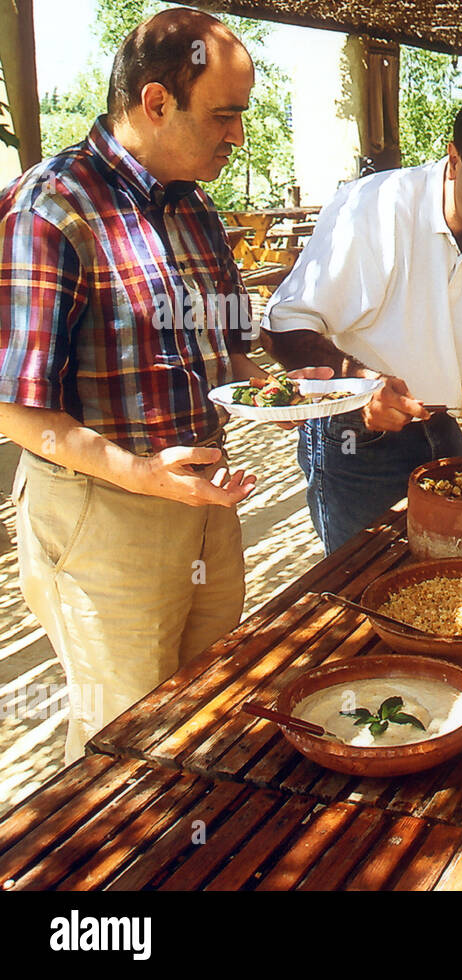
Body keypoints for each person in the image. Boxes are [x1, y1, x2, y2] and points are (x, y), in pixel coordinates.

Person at [0, 9, 290, 762]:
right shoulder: (52, 206)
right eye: (224, 116)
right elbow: (13, 406)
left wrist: (289, 393)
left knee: (206, 706)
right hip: (104, 512)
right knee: (122, 738)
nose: (237, 135)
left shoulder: (191, 203)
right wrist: (139, 474)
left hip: (202, 500)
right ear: (156, 102)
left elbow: (224, 358)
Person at [263, 89, 462, 553]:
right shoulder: (374, 209)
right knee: (363, 590)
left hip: (440, 430)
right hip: (353, 442)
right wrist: (359, 390)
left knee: (446, 579)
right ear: (454, 159)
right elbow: (282, 325)